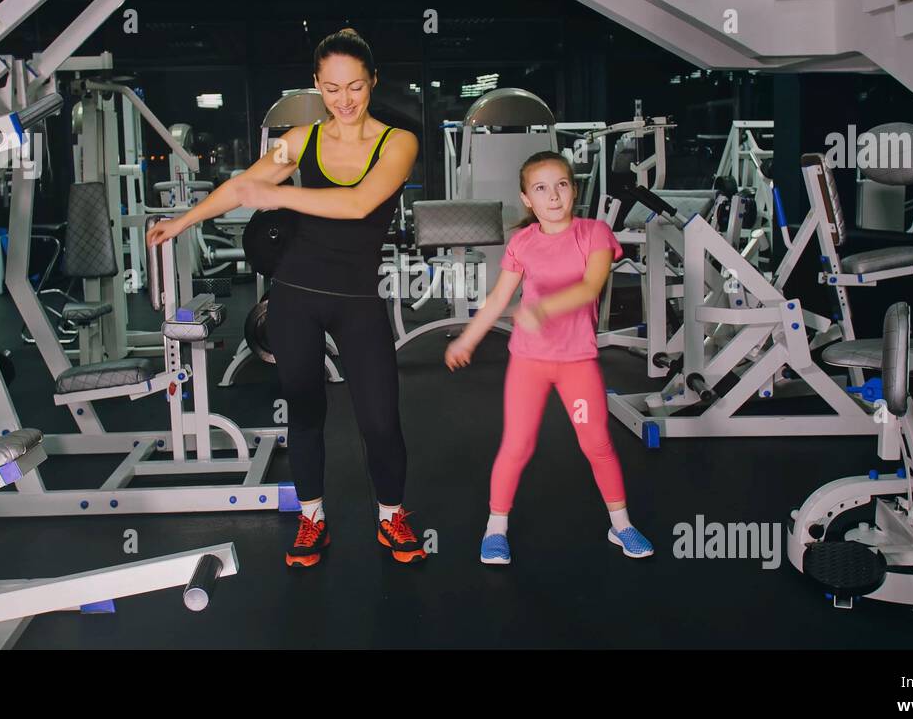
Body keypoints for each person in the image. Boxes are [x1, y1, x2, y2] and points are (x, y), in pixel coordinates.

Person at [147, 29, 426, 568]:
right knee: (305, 410)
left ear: (373, 82)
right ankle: (311, 517)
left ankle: (391, 514)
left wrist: (273, 193)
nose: (344, 100)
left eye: (355, 87)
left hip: (356, 298)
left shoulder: (399, 142)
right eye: (332, 88)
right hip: (295, 293)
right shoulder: (300, 140)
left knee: (380, 419)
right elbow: (241, 185)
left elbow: (359, 204)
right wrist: (181, 222)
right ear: (318, 85)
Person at [444, 150, 652, 565]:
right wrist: (466, 339)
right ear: (527, 199)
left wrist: (542, 309)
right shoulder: (522, 242)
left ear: (573, 190)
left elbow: (592, 286)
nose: (553, 196)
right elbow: (498, 298)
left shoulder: (593, 233)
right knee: (516, 446)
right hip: (528, 361)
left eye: (561, 185)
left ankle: (621, 524)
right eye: (541, 188)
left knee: (596, 444)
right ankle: (495, 528)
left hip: (576, 361)